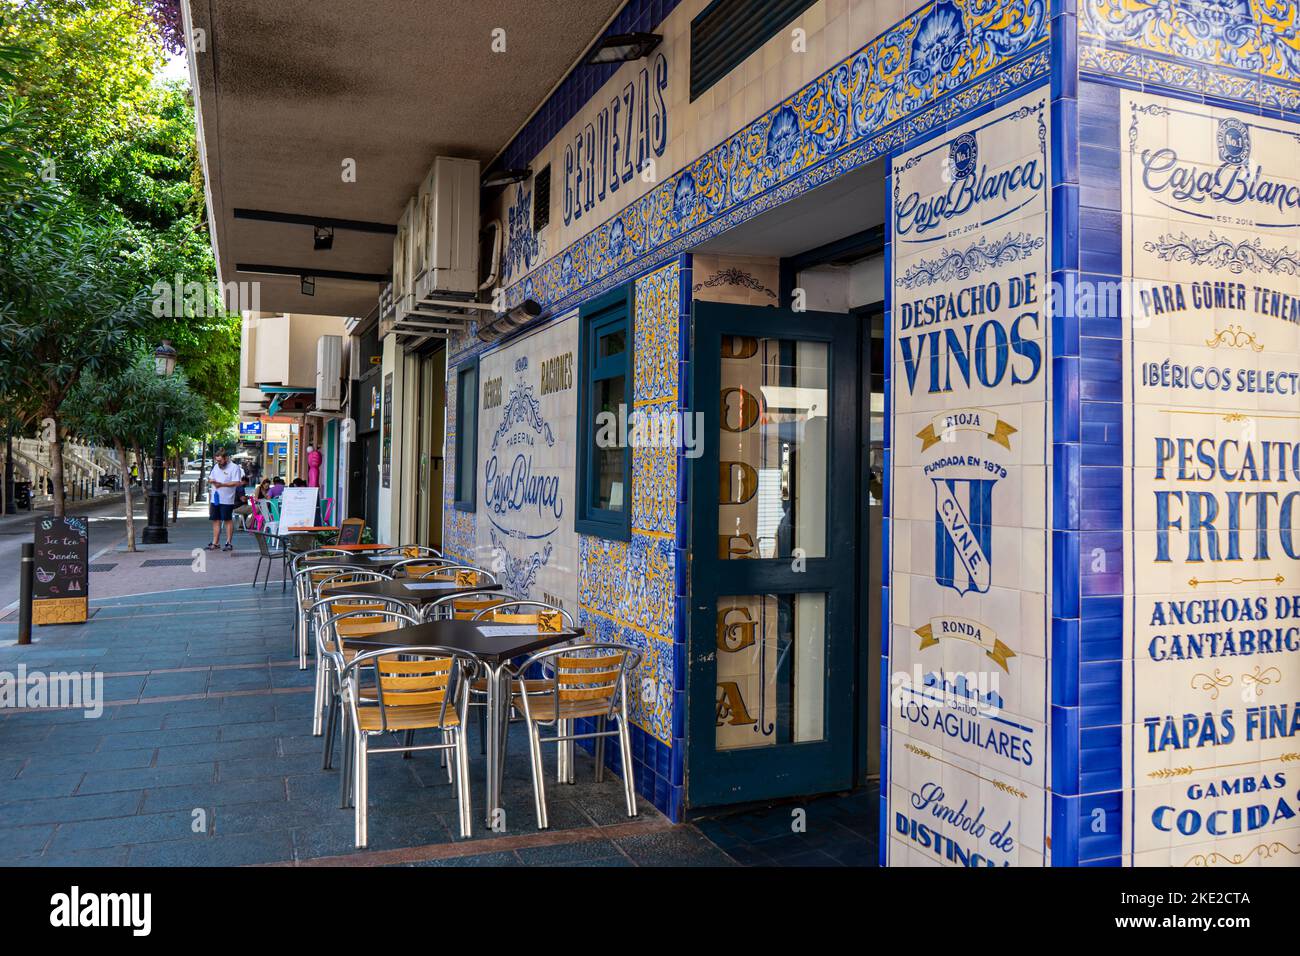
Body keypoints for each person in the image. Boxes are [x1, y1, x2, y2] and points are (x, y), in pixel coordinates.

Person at [206, 449, 244, 552]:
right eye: (217, 461)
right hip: (215, 498)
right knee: (216, 520)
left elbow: (236, 482)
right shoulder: (216, 467)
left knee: (227, 520)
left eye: (220, 461)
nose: (218, 463)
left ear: (226, 458)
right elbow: (210, 478)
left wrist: (222, 484)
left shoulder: (234, 467)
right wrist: (212, 481)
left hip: (227, 499)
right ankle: (215, 542)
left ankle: (228, 542)